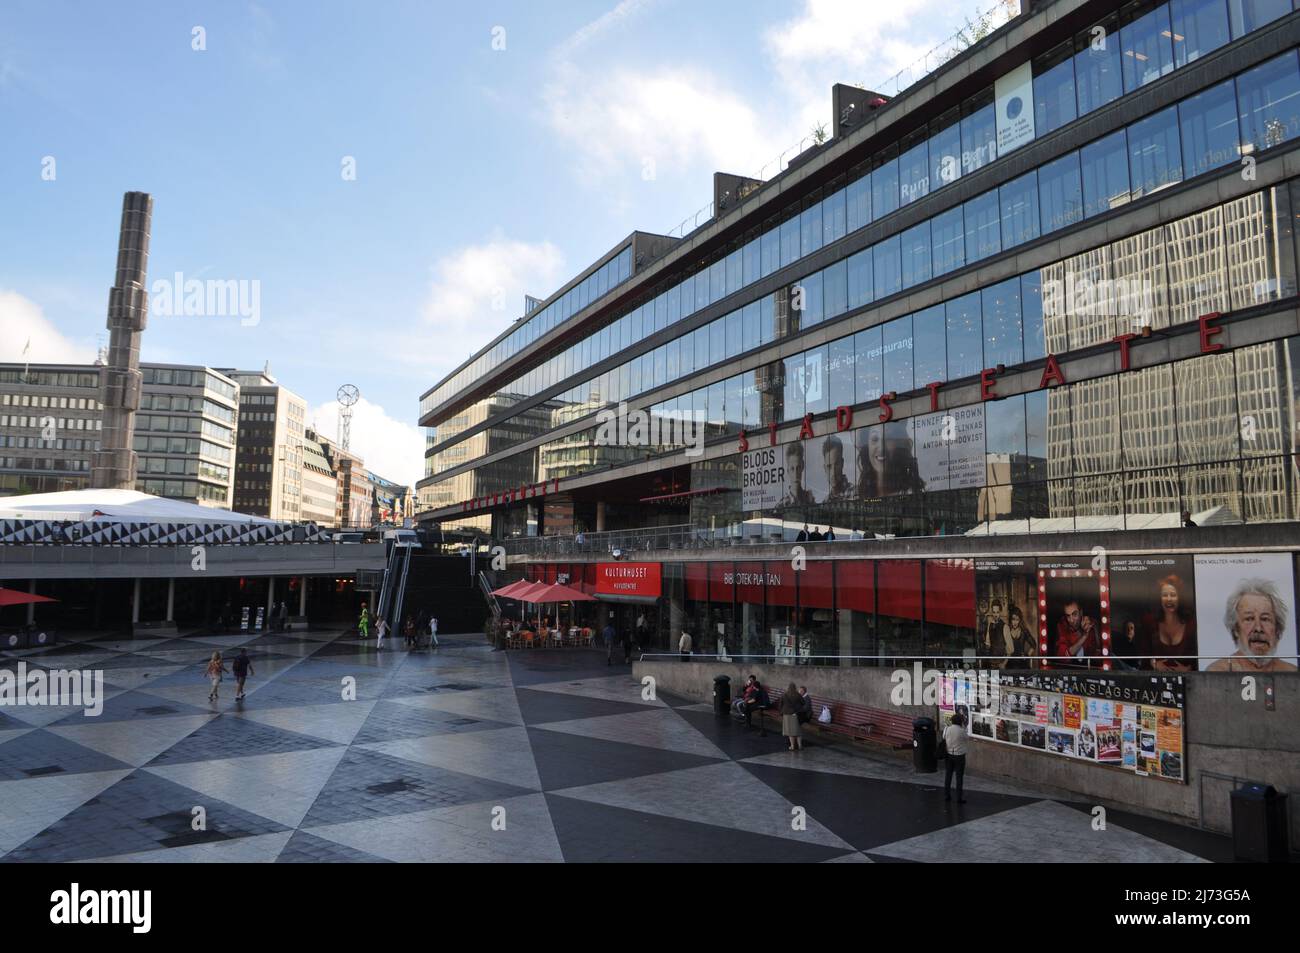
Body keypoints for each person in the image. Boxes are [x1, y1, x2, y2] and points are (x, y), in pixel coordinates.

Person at [1207, 579, 1298, 672]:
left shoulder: (1291, 673)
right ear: (1235, 629)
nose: (1258, 628)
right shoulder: (1219, 672)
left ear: (1277, 629)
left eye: (1265, 619)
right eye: (1249, 619)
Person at [1144, 574, 1197, 672]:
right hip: (1156, 680)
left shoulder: (1191, 624)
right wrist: (1153, 663)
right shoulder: (1150, 622)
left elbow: (1199, 655)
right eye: (1164, 595)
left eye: (1173, 595)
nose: (1169, 599)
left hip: (1187, 681)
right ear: (1159, 599)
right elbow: (1142, 653)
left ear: (1179, 598)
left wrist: (1189, 669)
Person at [857, 421, 922, 498]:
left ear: (900, 445)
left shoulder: (915, 494)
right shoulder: (855, 495)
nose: (881, 448)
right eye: (874, 439)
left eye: (888, 439)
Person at [943, 711, 968, 803]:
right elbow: (967, 738)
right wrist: (964, 727)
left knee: (948, 775)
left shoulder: (948, 729)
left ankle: (947, 795)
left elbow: (944, 737)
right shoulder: (961, 731)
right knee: (959, 777)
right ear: (960, 721)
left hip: (949, 754)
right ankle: (959, 797)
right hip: (959, 755)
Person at [780, 682, 804, 751]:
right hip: (795, 714)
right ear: (795, 687)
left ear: (788, 687)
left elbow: (781, 704)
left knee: (790, 731)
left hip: (787, 714)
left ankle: (792, 746)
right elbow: (803, 703)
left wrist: (781, 712)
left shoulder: (784, 695)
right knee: (797, 730)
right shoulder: (798, 695)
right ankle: (800, 746)